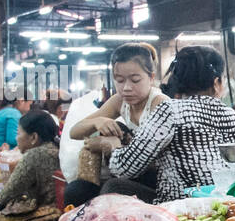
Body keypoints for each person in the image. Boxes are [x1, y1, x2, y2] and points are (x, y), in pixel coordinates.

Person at [103, 45, 235, 203]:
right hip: (227, 202)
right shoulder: (232, 116)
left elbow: (125, 168)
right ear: (217, 82)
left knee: (114, 187)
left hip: (180, 204)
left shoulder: (171, 111)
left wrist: (113, 146)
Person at [65, 43, 167, 205]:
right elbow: (74, 132)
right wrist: (99, 121)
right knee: (76, 190)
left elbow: (151, 162)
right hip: (129, 171)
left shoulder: (160, 104)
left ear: (151, 78)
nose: (126, 88)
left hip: (159, 182)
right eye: (119, 80)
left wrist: (114, 146)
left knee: (113, 188)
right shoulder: (120, 101)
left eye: (135, 80)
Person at [0, 110, 62, 221]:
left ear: (34, 138)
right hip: (60, 214)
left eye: (18, 133)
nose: (16, 138)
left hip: (44, 218)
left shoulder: (34, 155)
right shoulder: (57, 148)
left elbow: (5, 196)